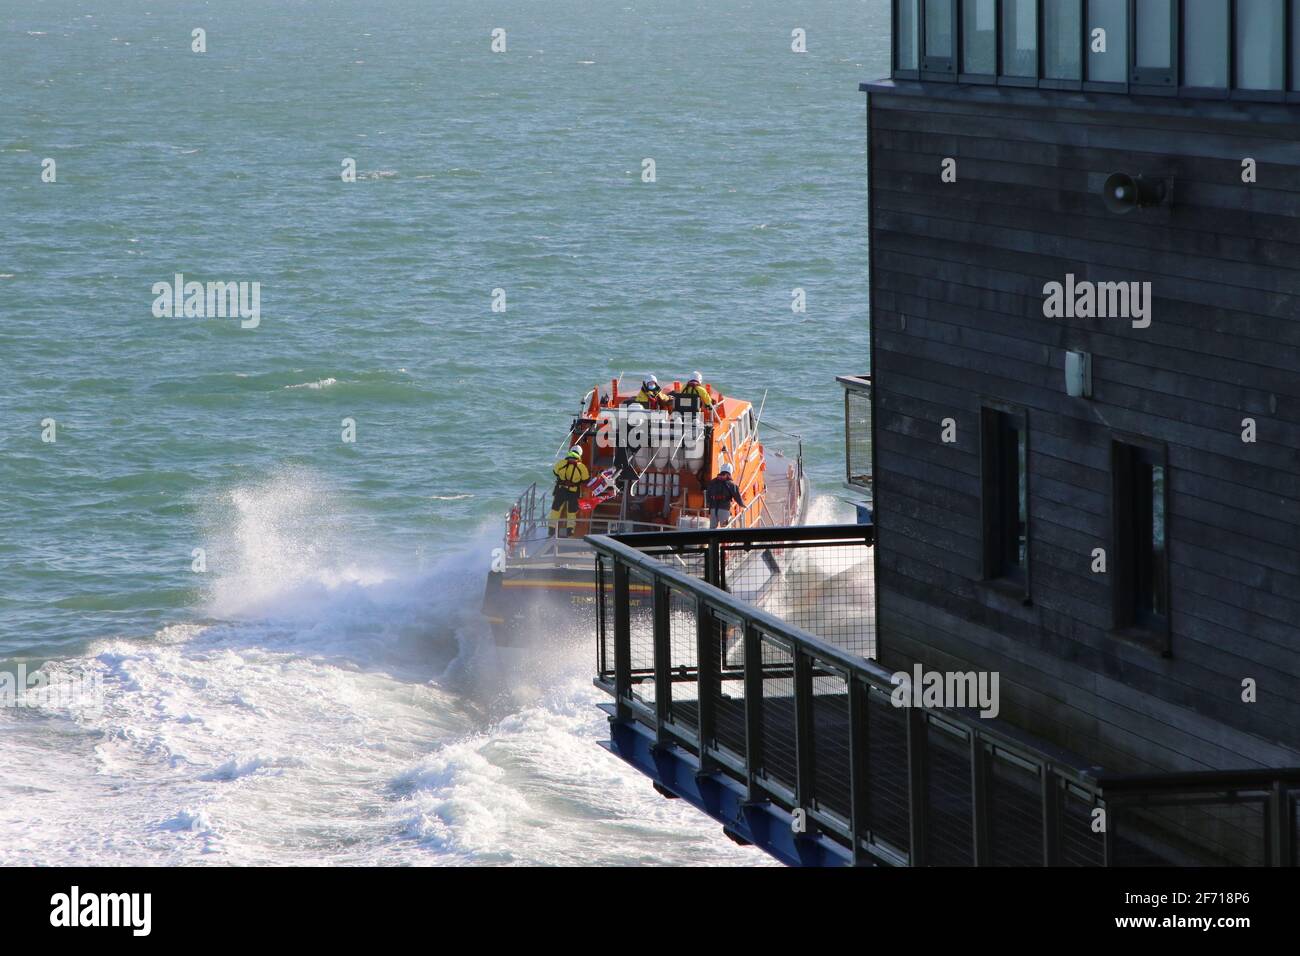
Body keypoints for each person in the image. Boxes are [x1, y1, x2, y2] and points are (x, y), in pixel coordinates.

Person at [549, 446, 590, 537]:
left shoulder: (561, 463)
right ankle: (570, 532)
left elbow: (555, 472)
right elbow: (585, 479)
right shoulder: (581, 467)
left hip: (560, 490)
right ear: (579, 454)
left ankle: (551, 531)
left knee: (555, 510)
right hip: (574, 492)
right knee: (571, 512)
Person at [705, 463, 744, 528]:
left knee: (712, 529)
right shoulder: (731, 484)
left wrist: (709, 504)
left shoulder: (712, 482)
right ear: (730, 472)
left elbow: (708, 494)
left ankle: (712, 538)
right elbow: (737, 496)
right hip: (724, 510)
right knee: (725, 528)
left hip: (713, 510)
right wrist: (742, 505)